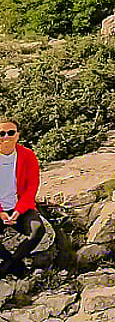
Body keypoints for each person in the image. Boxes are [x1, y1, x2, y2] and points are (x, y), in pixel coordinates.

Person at [0, 118, 44, 279]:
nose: (6, 137)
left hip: (19, 208)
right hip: (0, 210)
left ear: (17, 135)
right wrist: (1, 212)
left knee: (37, 230)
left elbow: (32, 188)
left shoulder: (27, 156)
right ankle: (15, 265)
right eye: (1, 133)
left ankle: (8, 265)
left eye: (10, 132)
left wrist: (18, 211)